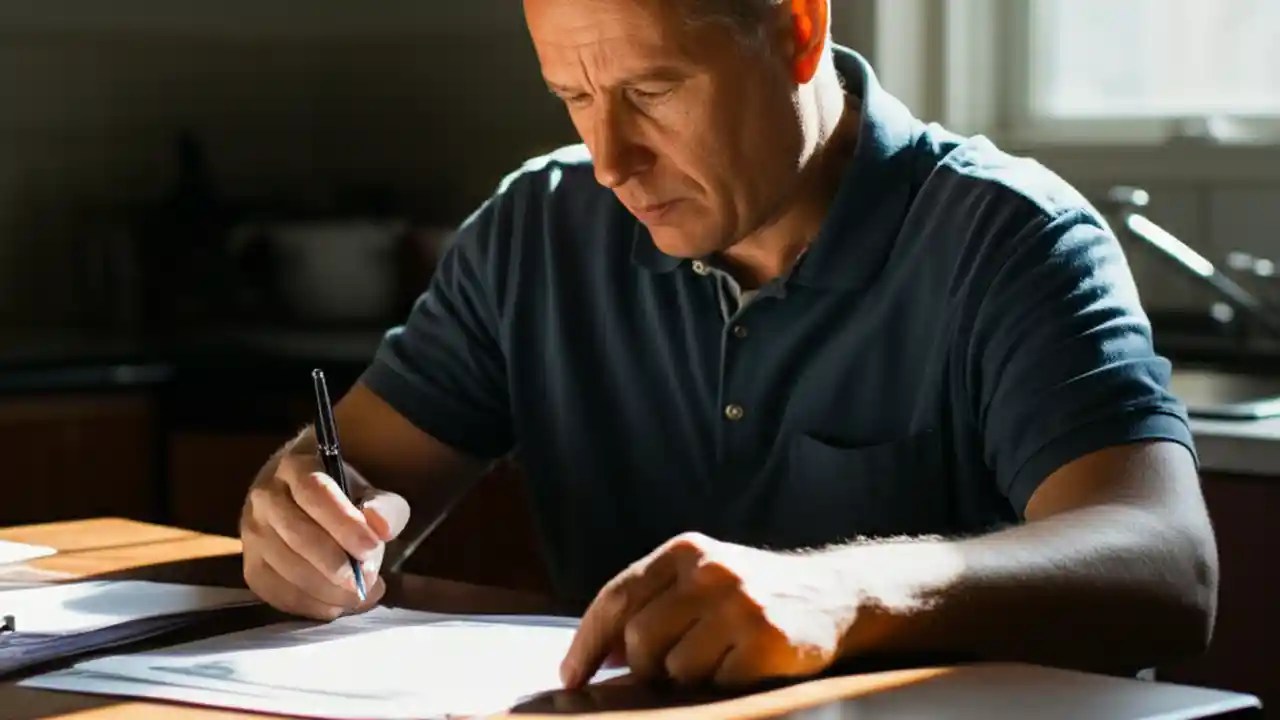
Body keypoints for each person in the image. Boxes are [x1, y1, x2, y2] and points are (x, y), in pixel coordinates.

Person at [239, 0, 1218, 690]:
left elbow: (1165, 568)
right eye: (572, 97)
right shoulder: (537, 227)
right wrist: (306, 526)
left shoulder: (1005, 237)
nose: (610, 161)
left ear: (795, 27)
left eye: (653, 90)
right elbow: (357, 479)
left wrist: (840, 593)